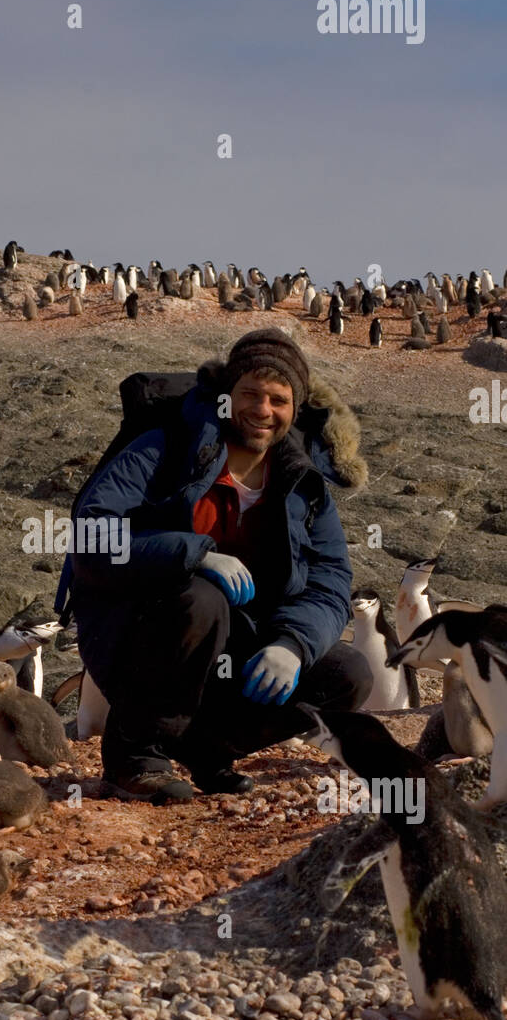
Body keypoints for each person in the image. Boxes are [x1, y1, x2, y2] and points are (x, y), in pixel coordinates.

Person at [64, 327, 372, 804]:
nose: (262, 410)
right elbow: (91, 531)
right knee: (199, 597)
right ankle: (135, 753)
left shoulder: (302, 483)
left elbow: (331, 581)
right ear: (227, 394)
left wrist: (292, 643)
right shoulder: (167, 446)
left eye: (278, 399)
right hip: (137, 631)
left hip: (232, 644)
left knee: (347, 673)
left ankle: (205, 749)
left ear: (295, 410)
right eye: (249, 393)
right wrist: (193, 553)